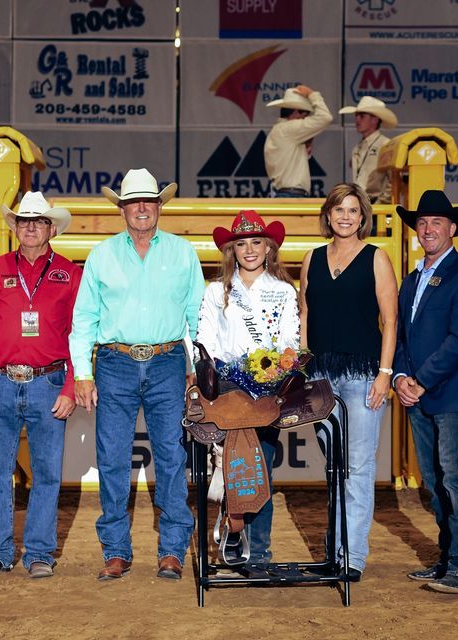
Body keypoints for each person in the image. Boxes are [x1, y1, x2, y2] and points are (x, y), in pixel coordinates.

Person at [71, 168, 205, 581]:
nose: (142, 208)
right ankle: (116, 550)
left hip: (168, 361)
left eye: (149, 201)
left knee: (171, 455)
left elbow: (196, 316)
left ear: (160, 206)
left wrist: (195, 369)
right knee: (112, 458)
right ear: (122, 209)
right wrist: (82, 372)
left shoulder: (183, 253)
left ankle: (172, 550)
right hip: (114, 362)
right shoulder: (101, 255)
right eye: (134, 202)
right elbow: (85, 318)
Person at [0, 192, 81, 580]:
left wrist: (70, 386)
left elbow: (82, 333)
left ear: (51, 228)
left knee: (46, 472)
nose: (30, 227)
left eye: (38, 221)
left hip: (49, 381)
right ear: (15, 227)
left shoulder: (70, 273)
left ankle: (40, 552)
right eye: (23, 220)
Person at [299, 182, 398, 581]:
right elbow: (305, 313)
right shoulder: (311, 258)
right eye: (339, 209)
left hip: (363, 377)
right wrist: (303, 369)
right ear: (328, 215)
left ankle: (352, 556)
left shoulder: (377, 258)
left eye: (353, 210)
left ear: (363, 217)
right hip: (321, 376)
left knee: (358, 466)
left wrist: (384, 374)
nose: (345, 216)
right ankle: (335, 548)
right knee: (335, 465)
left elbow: (390, 321)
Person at [391, 189, 458, 596]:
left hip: (451, 394)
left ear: (452, 229)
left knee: (456, 479)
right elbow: (401, 336)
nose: (428, 229)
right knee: (434, 480)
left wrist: (420, 380)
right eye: (422, 222)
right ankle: (449, 558)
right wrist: (399, 376)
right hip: (418, 394)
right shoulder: (412, 279)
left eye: (436, 222)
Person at [197, 209, 299, 567]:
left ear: (269, 248)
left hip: (267, 390)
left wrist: (274, 369)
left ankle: (261, 549)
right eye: (242, 243)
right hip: (227, 386)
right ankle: (233, 530)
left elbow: (291, 342)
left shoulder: (285, 291)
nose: (250, 249)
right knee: (231, 465)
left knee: (262, 467)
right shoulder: (216, 292)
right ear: (233, 251)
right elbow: (205, 341)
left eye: (257, 242)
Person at [263, 85, 332, 198]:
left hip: (283, 192)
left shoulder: (278, 130)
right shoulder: (290, 129)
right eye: (305, 116)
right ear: (296, 113)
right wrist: (312, 94)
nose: (305, 120)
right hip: (292, 194)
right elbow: (325, 117)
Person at [338, 96, 398, 205]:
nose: (357, 120)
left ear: (375, 119)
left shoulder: (385, 145)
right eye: (356, 116)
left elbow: (393, 180)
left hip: (376, 205)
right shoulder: (357, 147)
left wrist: (381, 203)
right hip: (360, 203)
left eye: (361, 116)